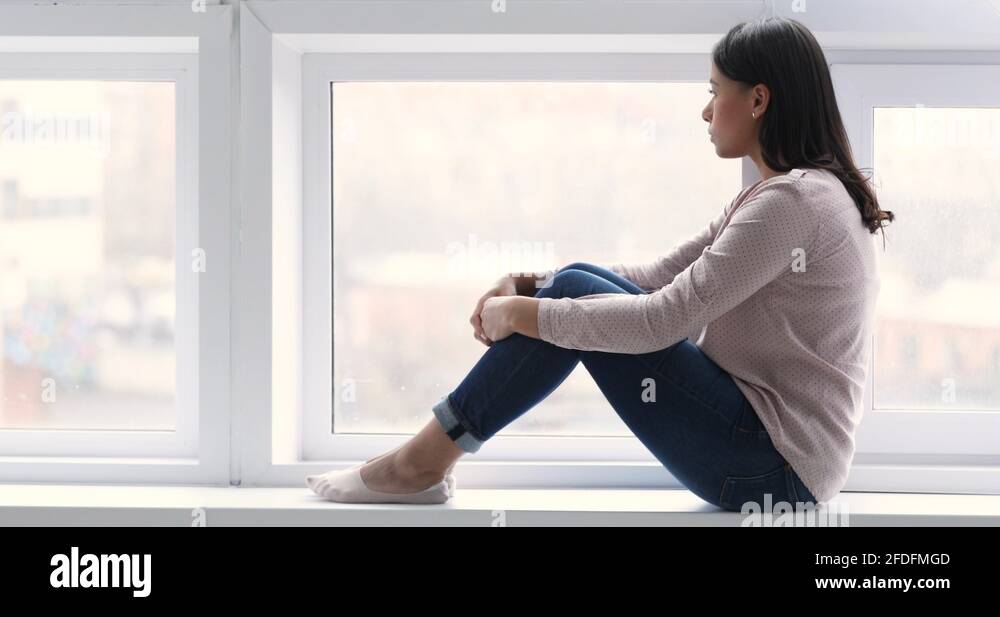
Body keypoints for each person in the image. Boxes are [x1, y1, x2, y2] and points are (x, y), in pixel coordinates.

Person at [306, 16, 894, 512]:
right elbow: (659, 275)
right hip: (774, 458)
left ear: (758, 99)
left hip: (770, 471)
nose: (706, 110)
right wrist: (532, 287)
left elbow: (661, 321)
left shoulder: (791, 204)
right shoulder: (793, 195)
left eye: (716, 91)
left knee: (573, 292)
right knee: (574, 280)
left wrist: (528, 314)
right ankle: (426, 458)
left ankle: (421, 462)